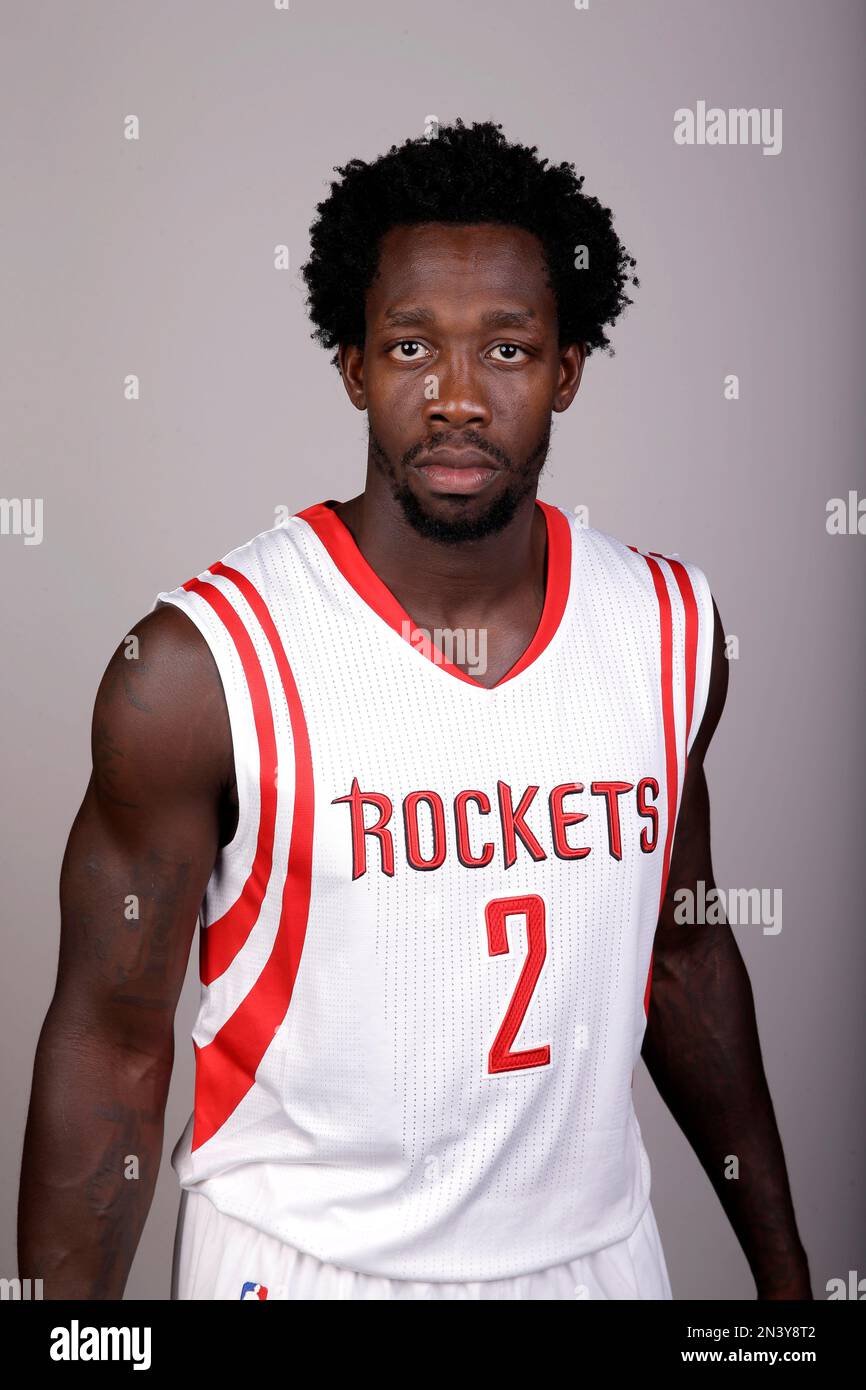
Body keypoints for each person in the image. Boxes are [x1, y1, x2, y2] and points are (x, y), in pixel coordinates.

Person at [18, 118, 811, 1300]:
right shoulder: (202, 664)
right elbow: (114, 1041)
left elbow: (683, 956)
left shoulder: (665, 629)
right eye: (407, 347)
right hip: (304, 1266)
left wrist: (786, 1291)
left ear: (566, 369)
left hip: (592, 1262)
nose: (453, 398)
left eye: (504, 350)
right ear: (352, 366)